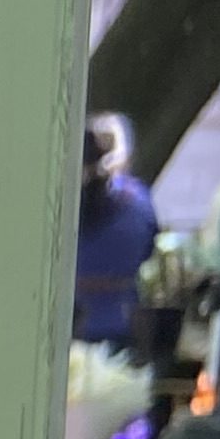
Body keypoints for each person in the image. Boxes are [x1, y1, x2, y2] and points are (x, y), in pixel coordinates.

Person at [73, 113, 161, 350]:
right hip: (119, 331)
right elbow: (148, 249)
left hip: (63, 328)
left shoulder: (49, 207)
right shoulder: (136, 204)